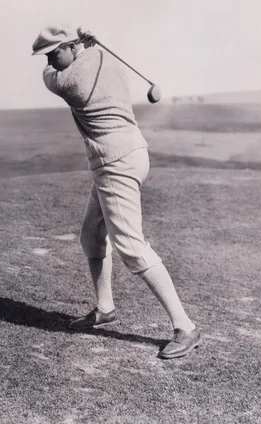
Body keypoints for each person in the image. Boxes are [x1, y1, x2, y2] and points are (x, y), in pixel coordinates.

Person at [31, 25, 200, 359]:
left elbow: (49, 76)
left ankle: (185, 326)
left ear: (69, 46)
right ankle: (105, 307)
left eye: (54, 53)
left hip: (114, 163)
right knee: (91, 236)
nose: (51, 60)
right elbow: (88, 58)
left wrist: (74, 52)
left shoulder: (67, 81)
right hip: (134, 152)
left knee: (132, 247)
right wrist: (87, 45)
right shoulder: (107, 58)